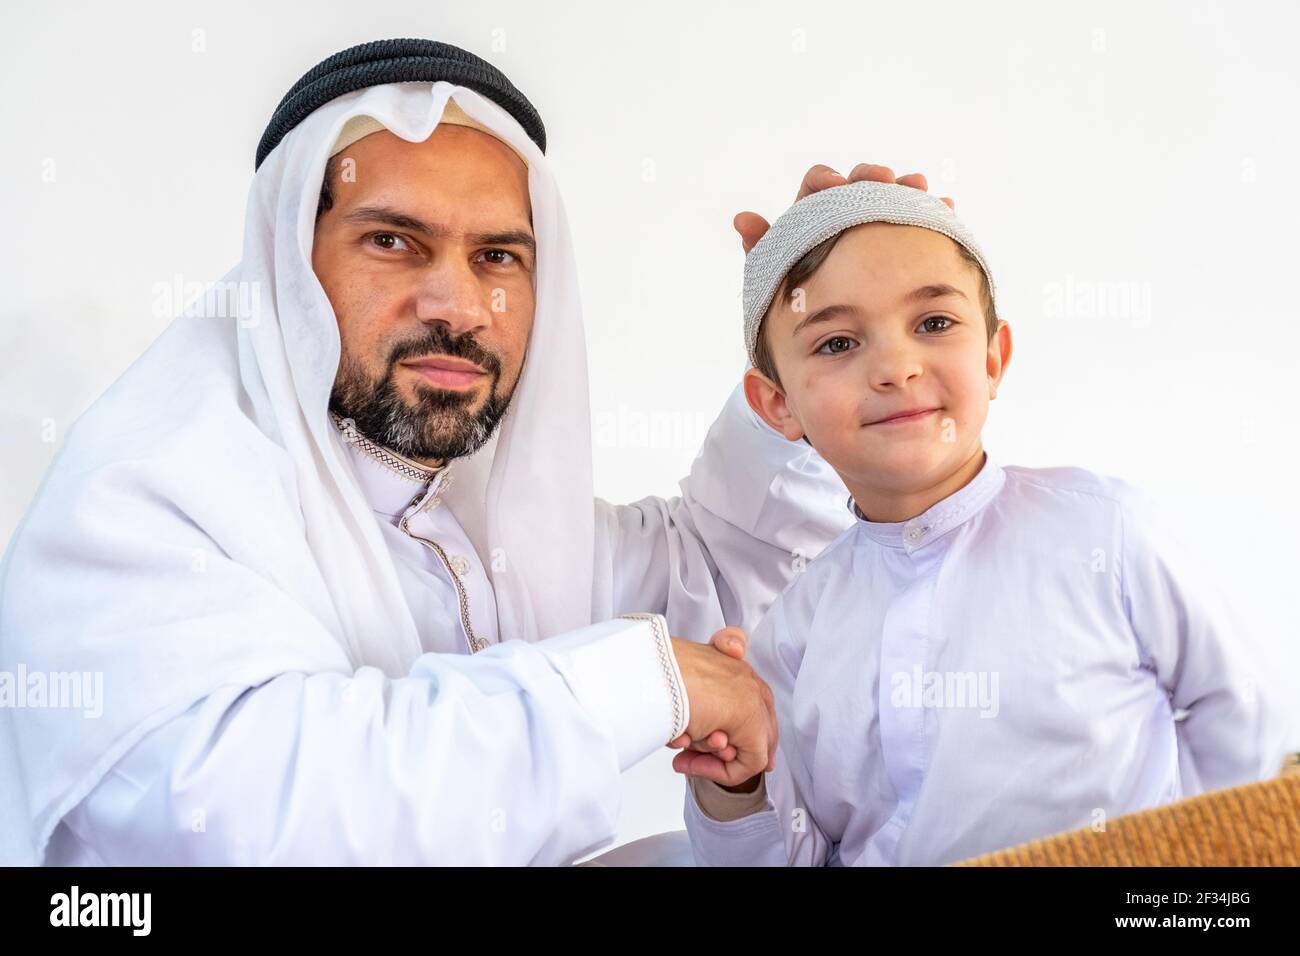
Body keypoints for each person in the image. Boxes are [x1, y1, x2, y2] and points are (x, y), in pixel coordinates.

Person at [0, 38, 943, 866]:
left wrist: (825, 352)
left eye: (498, 257)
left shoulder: (476, 517)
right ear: (288, 266)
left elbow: (745, 583)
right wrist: (637, 680)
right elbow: (248, 817)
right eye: (394, 241)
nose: (458, 305)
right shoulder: (143, 498)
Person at [678, 180, 1291, 865]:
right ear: (776, 405)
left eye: (933, 324)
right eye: (838, 342)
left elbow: (1240, 708)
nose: (896, 368)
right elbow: (794, 852)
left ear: (994, 358)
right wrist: (738, 784)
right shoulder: (796, 630)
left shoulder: (1105, 533)